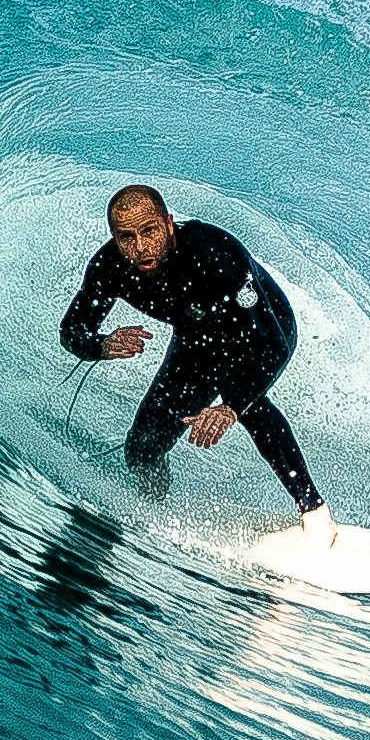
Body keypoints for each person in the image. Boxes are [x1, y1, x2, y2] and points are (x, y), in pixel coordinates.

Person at [60, 183, 326, 518]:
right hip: (196, 337)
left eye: (149, 230)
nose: (140, 247)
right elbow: (71, 330)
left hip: (258, 330)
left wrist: (230, 408)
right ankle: (152, 508)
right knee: (142, 448)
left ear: (169, 223)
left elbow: (274, 344)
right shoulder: (110, 267)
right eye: (126, 237)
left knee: (240, 394)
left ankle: (313, 510)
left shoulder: (215, 254)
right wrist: (100, 344)